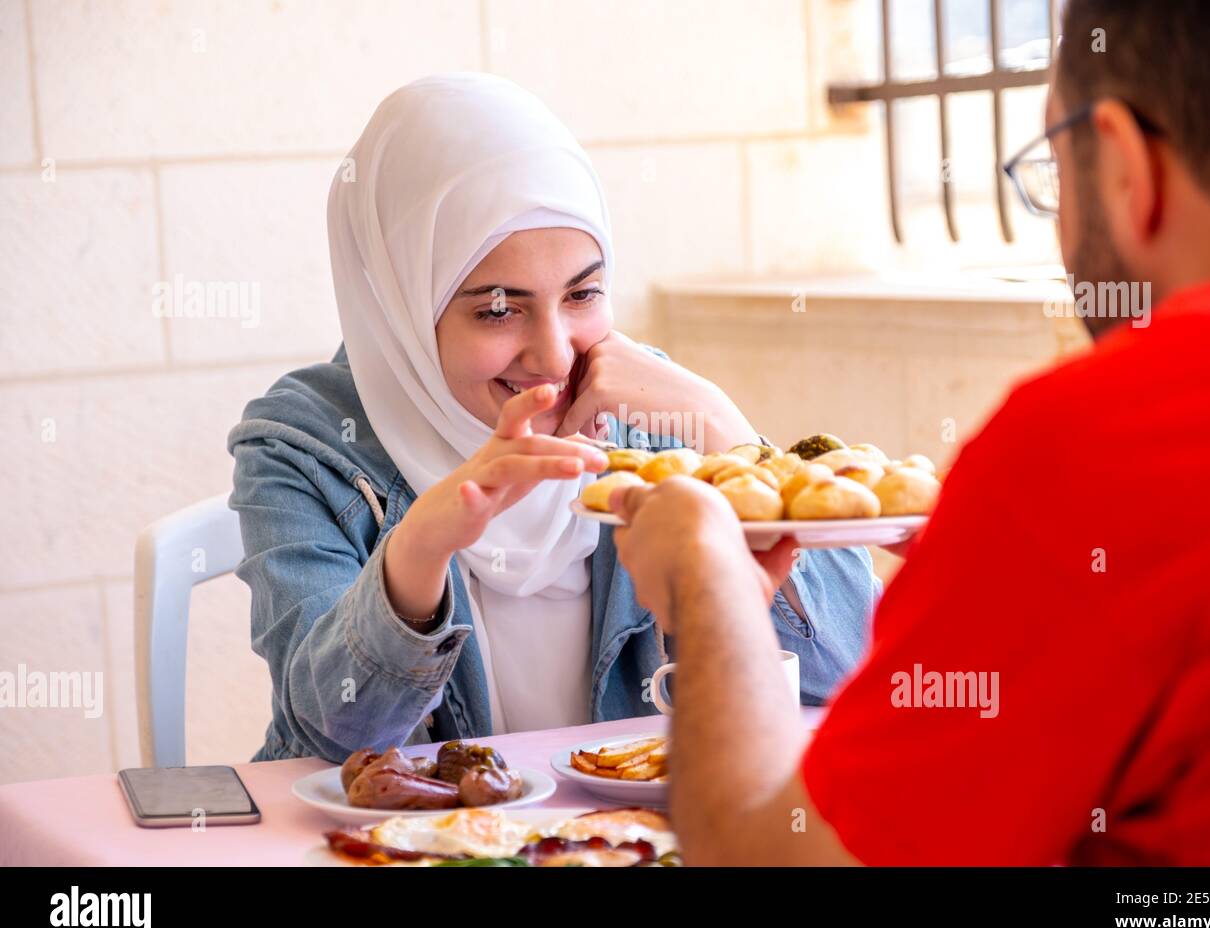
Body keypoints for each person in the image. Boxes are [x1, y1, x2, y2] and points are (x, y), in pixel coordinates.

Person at [609, 0, 1210, 864]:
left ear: (1124, 164)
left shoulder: (1111, 431)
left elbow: (785, 855)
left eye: (1053, 168)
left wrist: (705, 579)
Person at [226, 73, 879, 763]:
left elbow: (849, 669)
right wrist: (419, 549)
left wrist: (724, 426)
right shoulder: (304, 446)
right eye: (499, 309)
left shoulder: (651, 412)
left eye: (583, 293)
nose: (556, 354)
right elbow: (332, 737)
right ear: (399, 310)